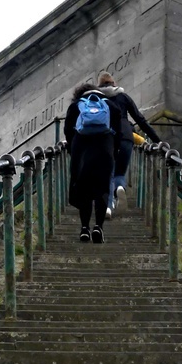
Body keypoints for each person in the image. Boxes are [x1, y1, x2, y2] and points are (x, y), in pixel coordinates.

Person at [64, 81, 122, 243]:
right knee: (102, 189)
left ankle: (84, 228)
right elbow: (119, 132)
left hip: (81, 150)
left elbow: (68, 131)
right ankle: (98, 227)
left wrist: (72, 150)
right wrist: (114, 151)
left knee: (84, 190)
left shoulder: (76, 106)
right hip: (105, 149)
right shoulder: (111, 105)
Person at [96, 72, 159, 215]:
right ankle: (120, 188)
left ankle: (108, 206)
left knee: (108, 173)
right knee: (119, 172)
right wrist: (157, 141)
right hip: (126, 137)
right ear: (114, 83)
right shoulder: (123, 97)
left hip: (107, 138)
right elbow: (141, 120)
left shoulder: (97, 98)